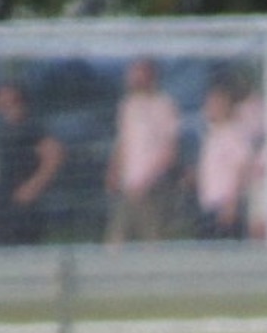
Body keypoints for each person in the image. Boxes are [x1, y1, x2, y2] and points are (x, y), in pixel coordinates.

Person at [104, 58, 182, 245]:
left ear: (150, 76)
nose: (133, 78)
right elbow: (123, 142)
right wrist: (114, 170)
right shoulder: (127, 105)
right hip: (128, 185)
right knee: (116, 239)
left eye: (138, 73)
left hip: (152, 185)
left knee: (151, 238)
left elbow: (170, 150)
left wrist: (147, 179)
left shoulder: (164, 105)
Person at [0, 81, 64, 246]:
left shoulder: (30, 126)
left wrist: (32, 187)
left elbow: (55, 155)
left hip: (21, 206)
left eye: (3, 93)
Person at [191, 80, 255, 241]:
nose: (209, 108)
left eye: (214, 103)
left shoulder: (234, 133)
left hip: (225, 206)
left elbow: (243, 167)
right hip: (210, 204)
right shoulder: (212, 134)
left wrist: (232, 202)